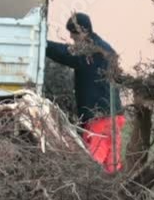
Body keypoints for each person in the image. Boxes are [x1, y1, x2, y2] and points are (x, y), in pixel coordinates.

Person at [45, 13, 124, 173]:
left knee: (93, 163)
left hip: (99, 116)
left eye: (74, 34)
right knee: (112, 164)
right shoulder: (105, 48)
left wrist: (42, 43)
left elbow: (65, 53)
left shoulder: (90, 51)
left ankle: (92, 194)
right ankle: (114, 193)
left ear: (83, 31)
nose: (72, 39)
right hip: (115, 115)